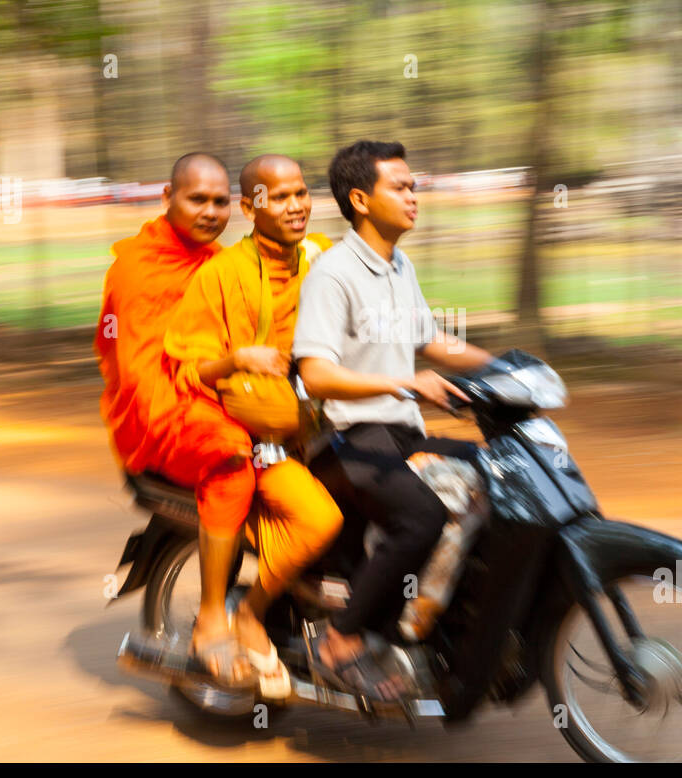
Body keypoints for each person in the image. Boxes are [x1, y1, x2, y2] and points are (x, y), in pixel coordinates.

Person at [293, 139, 494, 702]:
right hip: (348, 441)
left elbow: (432, 341)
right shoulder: (334, 274)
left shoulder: (398, 265)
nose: (413, 196)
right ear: (361, 199)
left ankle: (433, 617)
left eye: (414, 186)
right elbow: (316, 375)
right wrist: (405, 382)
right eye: (400, 186)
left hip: (398, 435)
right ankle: (339, 638)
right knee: (423, 517)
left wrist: (509, 368)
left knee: (498, 472)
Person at [164, 154, 344, 697]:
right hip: (264, 444)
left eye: (301, 193)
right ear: (250, 207)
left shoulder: (323, 259)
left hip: (323, 428)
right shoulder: (222, 274)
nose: (296, 206)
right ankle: (235, 614)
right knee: (319, 522)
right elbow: (186, 365)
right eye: (279, 197)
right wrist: (238, 358)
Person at [94, 152, 261, 688]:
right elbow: (144, 376)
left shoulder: (217, 262)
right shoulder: (138, 271)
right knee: (236, 462)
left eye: (219, 202)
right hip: (160, 418)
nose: (210, 211)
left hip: (205, 396)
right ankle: (213, 617)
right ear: (168, 199)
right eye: (197, 199)